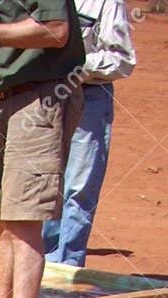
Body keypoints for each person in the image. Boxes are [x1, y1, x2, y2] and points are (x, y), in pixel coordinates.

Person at [0, 0, 85, 298]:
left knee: (23, 218)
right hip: (1, 97)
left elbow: (56, 30)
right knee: (0, 219)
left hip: (39, 97)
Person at [43, 0, 134, 269]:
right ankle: (39, 265)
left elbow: (122, 59)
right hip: (40, 95)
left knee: (78, 189)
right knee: (43, 184)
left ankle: (66, 268)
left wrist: (73, 64)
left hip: (89, 97)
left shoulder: (106, 2)